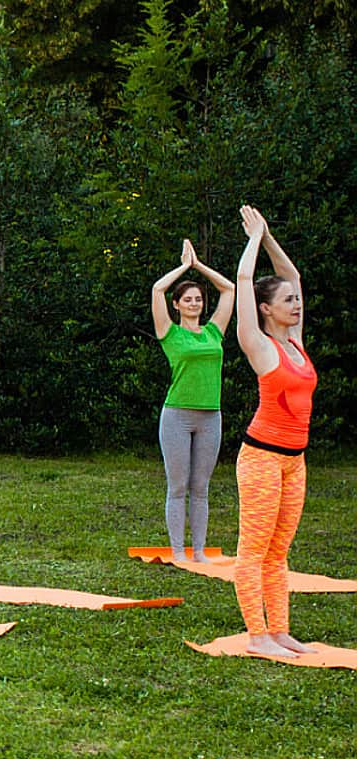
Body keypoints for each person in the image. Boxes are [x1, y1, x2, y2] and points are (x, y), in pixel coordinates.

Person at [232, 205, 317, 659]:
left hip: (294, 460)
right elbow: (245, 282)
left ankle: (280, 630)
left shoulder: (296, 344)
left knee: (279, 551)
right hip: (262, 457)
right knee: (254, 548)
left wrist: (267, 237)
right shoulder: (260, 345)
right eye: (287, 301)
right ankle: (257, 635)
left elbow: (293, 274)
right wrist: (251, 242)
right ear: (266, 309)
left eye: (295, 300)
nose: (296, 304)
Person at [151, 239, 235, 561]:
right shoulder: (170, 334)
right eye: (187, 299)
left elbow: (228, 290)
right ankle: (178, 551)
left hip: (210, 416)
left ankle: (199, 551)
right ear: (177, 304)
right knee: (178, 485)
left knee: (201, 487)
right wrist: (183, 268)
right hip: (177, 415)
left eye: (198, 299)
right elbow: (158, 289)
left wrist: (199, 266)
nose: (194, 303)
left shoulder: (214, 332)